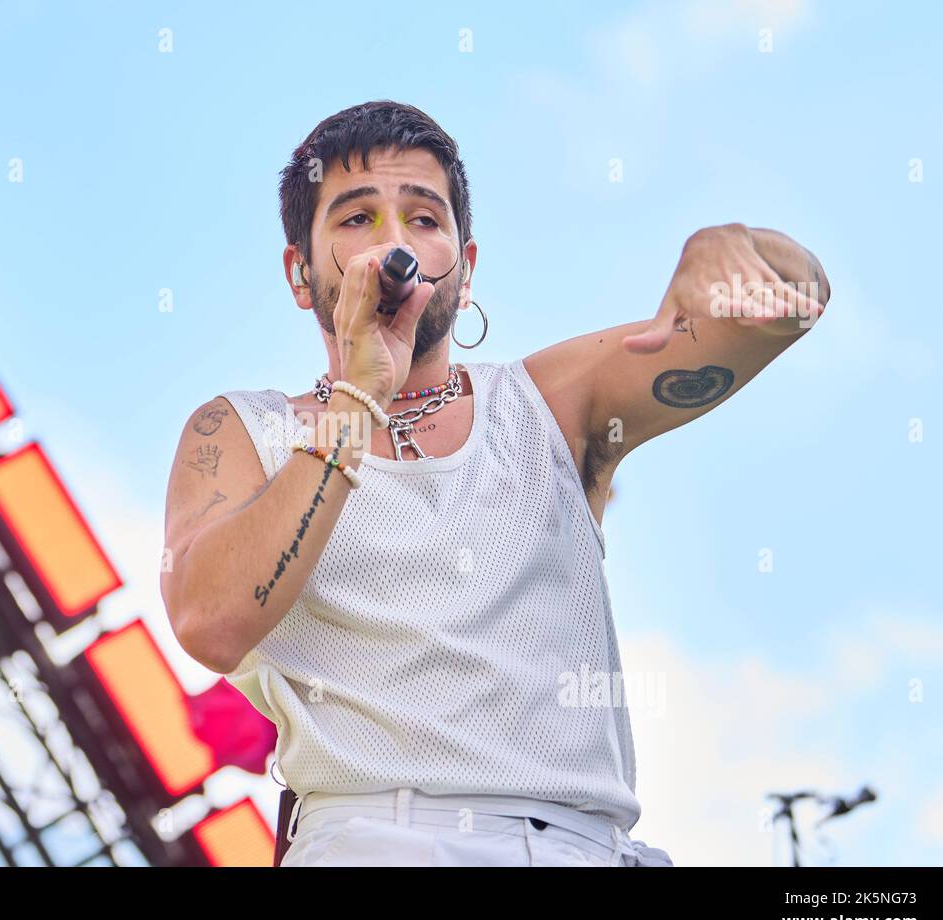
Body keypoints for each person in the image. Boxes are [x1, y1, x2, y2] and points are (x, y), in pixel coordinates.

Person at [160, 100, 829, 866]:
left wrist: (731, 249)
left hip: (590, 846)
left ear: (465, 267)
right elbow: (210, 621)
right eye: (355, 220)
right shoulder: (241, 431)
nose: (392, 244)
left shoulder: (550, 403)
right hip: (378, 842)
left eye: (423, 218)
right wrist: (358, 397)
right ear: (300, 276)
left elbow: (791, 300)